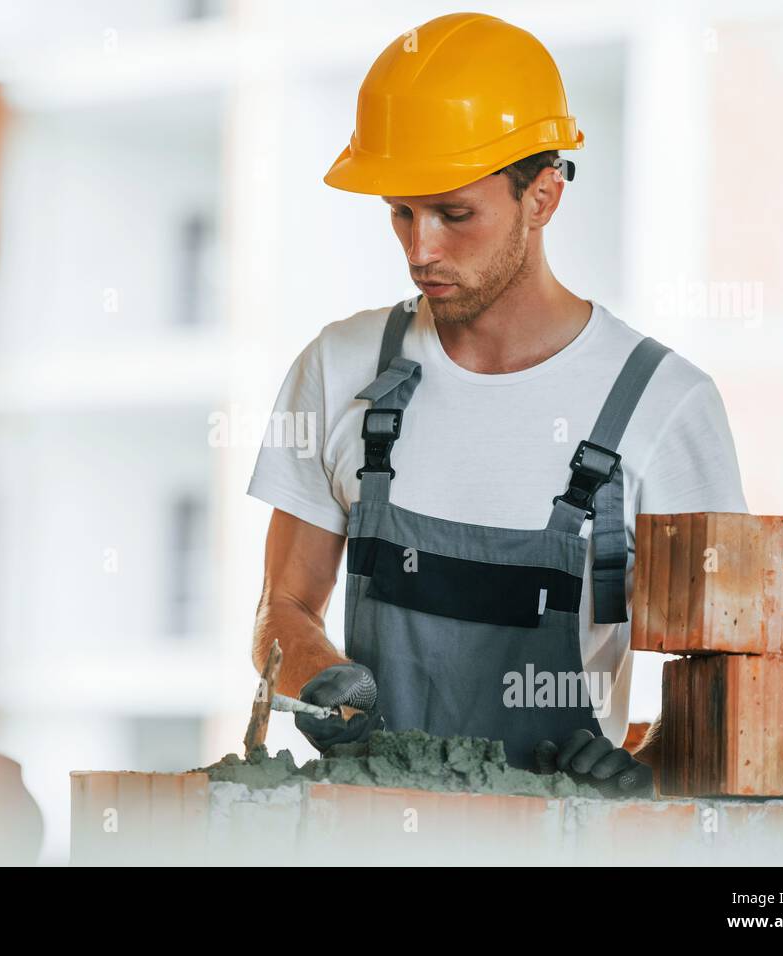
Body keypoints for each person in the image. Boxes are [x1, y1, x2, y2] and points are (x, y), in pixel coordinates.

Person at [246, 13, 749, 793]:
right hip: (367, 839)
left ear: (542, 197)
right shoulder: (339, 367)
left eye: (454, 214)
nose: (421, 249)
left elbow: (729, 668)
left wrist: (647, 772)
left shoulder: (663, 403)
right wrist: (320, 682)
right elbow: (283, 605)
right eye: (401, 212)